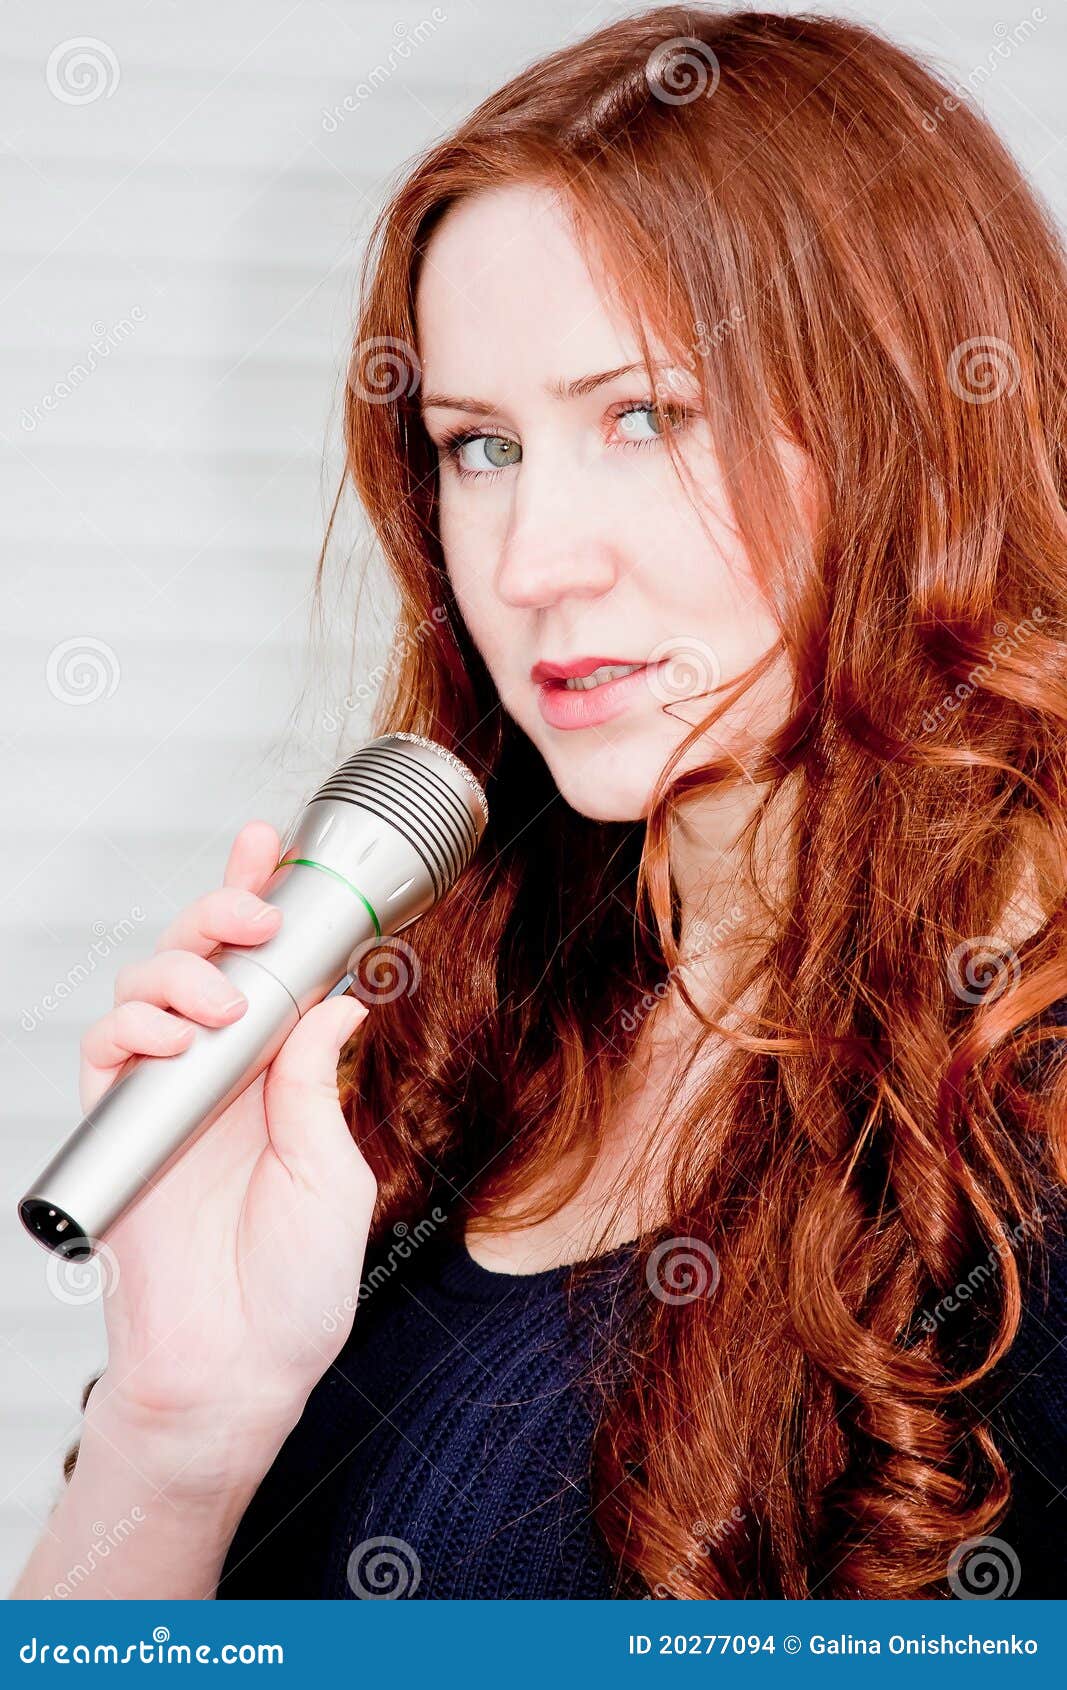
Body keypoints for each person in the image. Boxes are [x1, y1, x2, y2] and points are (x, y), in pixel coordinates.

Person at [13, 4, 1067, 1602]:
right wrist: (177, 1436)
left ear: (909, 426)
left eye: (643, 416)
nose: (525, 563)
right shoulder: (443, 1036)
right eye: (480, 446)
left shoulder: (1024, 1102)